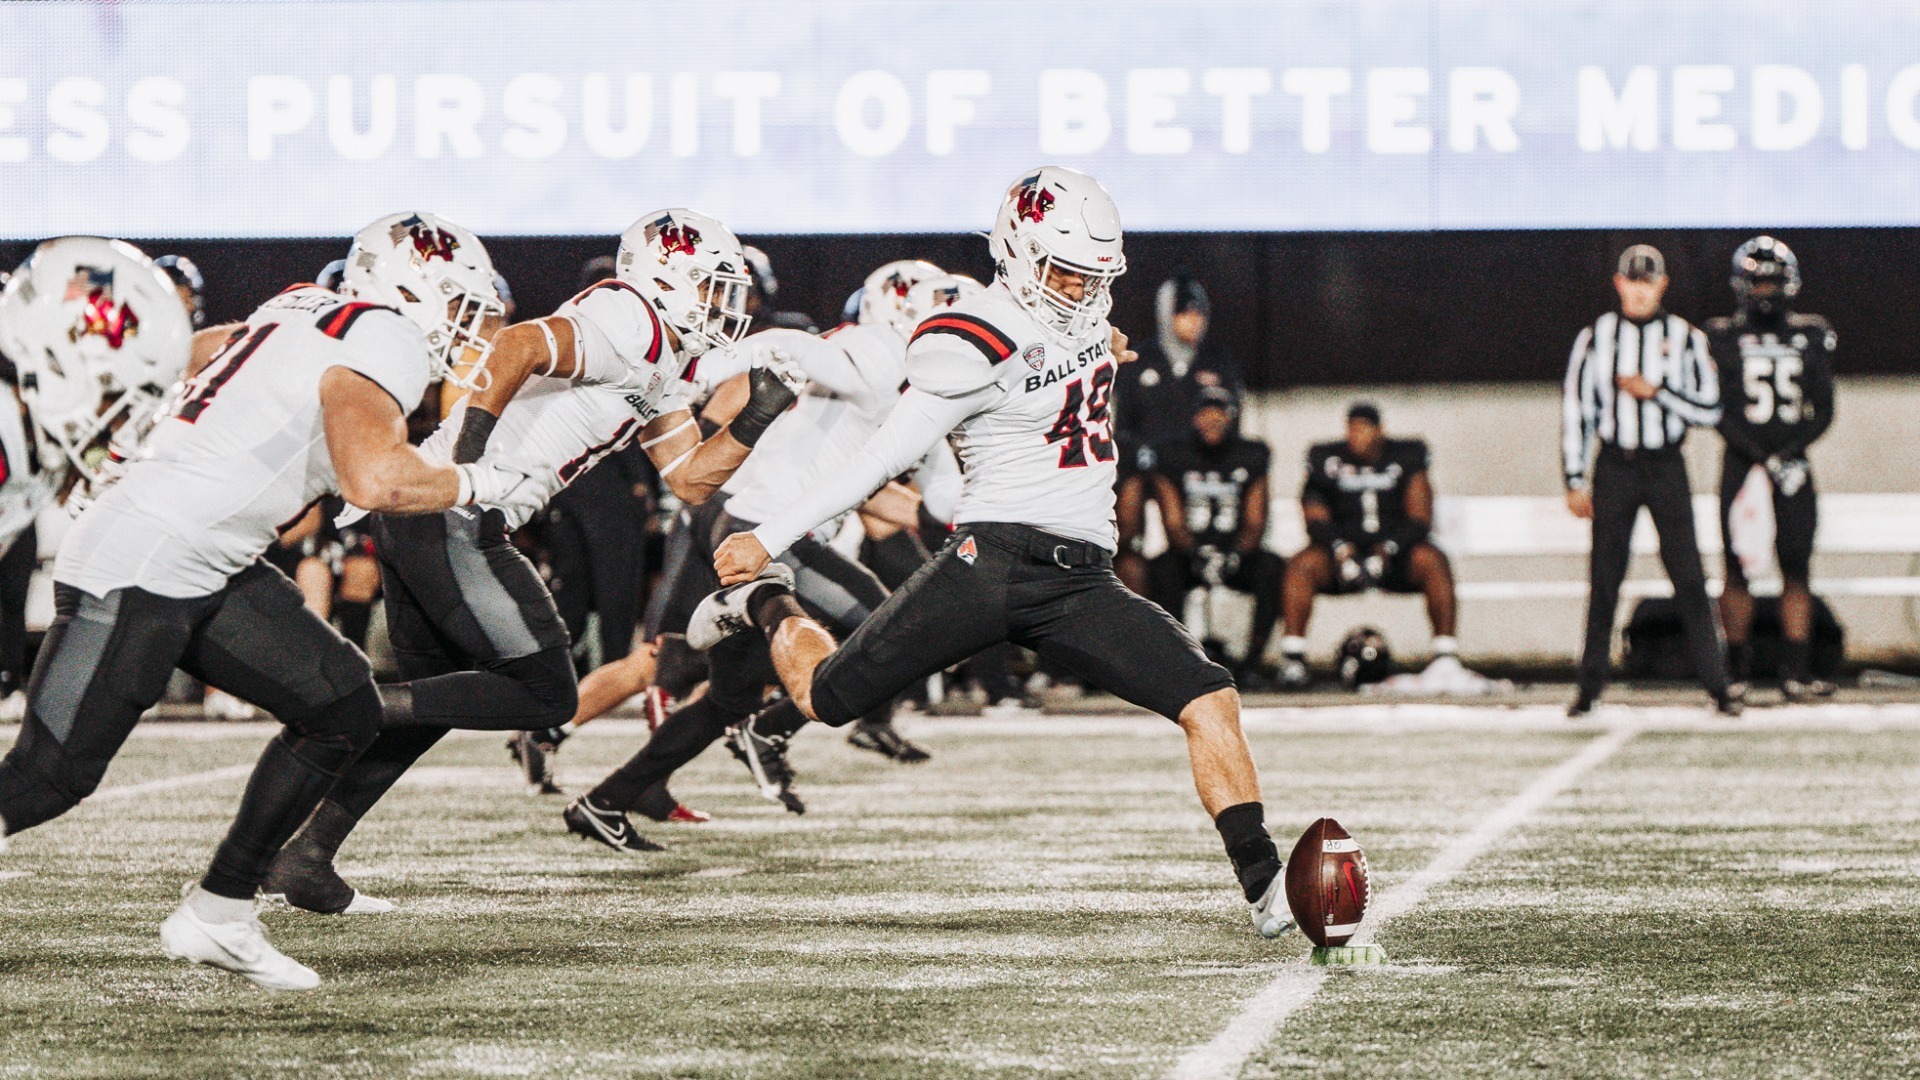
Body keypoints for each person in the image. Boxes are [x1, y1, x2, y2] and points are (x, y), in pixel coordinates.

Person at [699, 166, 1295, 940]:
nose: (1079, 288)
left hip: (1082, 580)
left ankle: (1266, 888)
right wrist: (767, 538)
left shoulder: (1081, 316)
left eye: (1092, 275)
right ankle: (764, 601)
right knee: (824, 699)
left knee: (1210, 699)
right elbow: (878, 460)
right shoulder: (969, 339)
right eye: (1063, 270)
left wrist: (1099, 343)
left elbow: (1077, 346)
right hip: (991, 564)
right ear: (1015, 252)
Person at [0, 216, 529, 990]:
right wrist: (483, 482)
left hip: (203, 556)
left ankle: (218, 911)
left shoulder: (297, 305)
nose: (463, 327)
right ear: (409, 290)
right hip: (148, 556)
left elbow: (193, 352)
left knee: (343, 703)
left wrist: (124, 439)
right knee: (48, 776)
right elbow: (373, 481)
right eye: (457, 304)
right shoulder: (388, 338)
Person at [262, 210, 802, 910]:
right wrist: (467, 459)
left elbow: (691, 479)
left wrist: (755, 417)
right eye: (710, 288)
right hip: (453, 513)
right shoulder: (628, 315)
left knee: (432, 705)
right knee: (546, 691)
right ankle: (339, 705)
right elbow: (517, 345)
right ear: (665, 278)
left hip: (434, 518)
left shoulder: (665, 360)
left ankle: (305, 856)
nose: (724, 306)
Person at [555, 266, 966, 849]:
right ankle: (772, 728)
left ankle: (612, 797)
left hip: (775, 528)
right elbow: (788, 344)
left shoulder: (923, 386)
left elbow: (944, 495)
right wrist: (700, 371)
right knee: (885, 618)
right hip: (766, 530)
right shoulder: (880, 349)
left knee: (731, 694)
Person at [1562, 244, 1738, 717]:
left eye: (1648, 282)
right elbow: (1577, 409)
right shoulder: (1596, 337)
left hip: (1665, 465)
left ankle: (1718, 685)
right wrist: (1575, 477)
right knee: (1604, 577)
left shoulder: (1684, 337)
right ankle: (1589, 687)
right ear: (1619, 284)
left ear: (1662, 285)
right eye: (1632, 281)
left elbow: (1710, 408)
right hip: (1615, 465)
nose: (1639, 291)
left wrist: (1657, 392)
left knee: (1688, 576)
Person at [1707, 236, 1837, 700]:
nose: (1765, 291)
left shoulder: (1810, 333)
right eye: (1758, 282)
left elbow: (1823, 410)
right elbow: (1717, 409)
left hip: (1792, 466)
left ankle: (1795, 672)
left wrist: (1784, 455)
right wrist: (1760, 457)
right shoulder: (1721, 334)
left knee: (1796, 568)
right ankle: (1735, 670)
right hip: (1744, 466)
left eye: (1772, 282)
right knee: (1736, 570)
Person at [1277, 403, 1457, 689]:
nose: (1356, 435)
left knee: (1433, 560)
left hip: (1395, 554)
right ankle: (1294, 659)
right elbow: (1314, 515)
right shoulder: (1326, 459)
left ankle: (1445, 657)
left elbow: (1420, 516)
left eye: (1364, 427)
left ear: (1380, 430)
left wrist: (1388, 549)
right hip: (1341, 554)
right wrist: (1339, 548)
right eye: (1352, 427)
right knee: (1302, 565)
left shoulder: (1406, 456)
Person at [1112, 271, 1241, 594]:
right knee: (1134, 479)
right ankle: (1122, 550)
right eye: (1184, 314)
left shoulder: (1218, 361)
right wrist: (1146, 455)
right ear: (1167, 315)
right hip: (1147, 467)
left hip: (1198, 467)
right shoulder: (1140, 362)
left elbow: (1232, 420)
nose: (1193, 322)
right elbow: (1121, 426)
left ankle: (1199, 555)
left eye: (1199, 314)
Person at [1146, 386, 1284, 687]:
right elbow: (1171, 516)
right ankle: (1173, 661)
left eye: (1220, 413)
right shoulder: (1172, 454)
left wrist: (1235, 553)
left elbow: (1255, 516)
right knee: (1163, 570)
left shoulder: (1252, 453)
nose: (1213, 420)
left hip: (1237, 552)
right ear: (1195, 418)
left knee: (1272, 569)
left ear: (1231, 418)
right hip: (1188, 551)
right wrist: (1195, 552)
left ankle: (1252, 663)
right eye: (1206, 413)